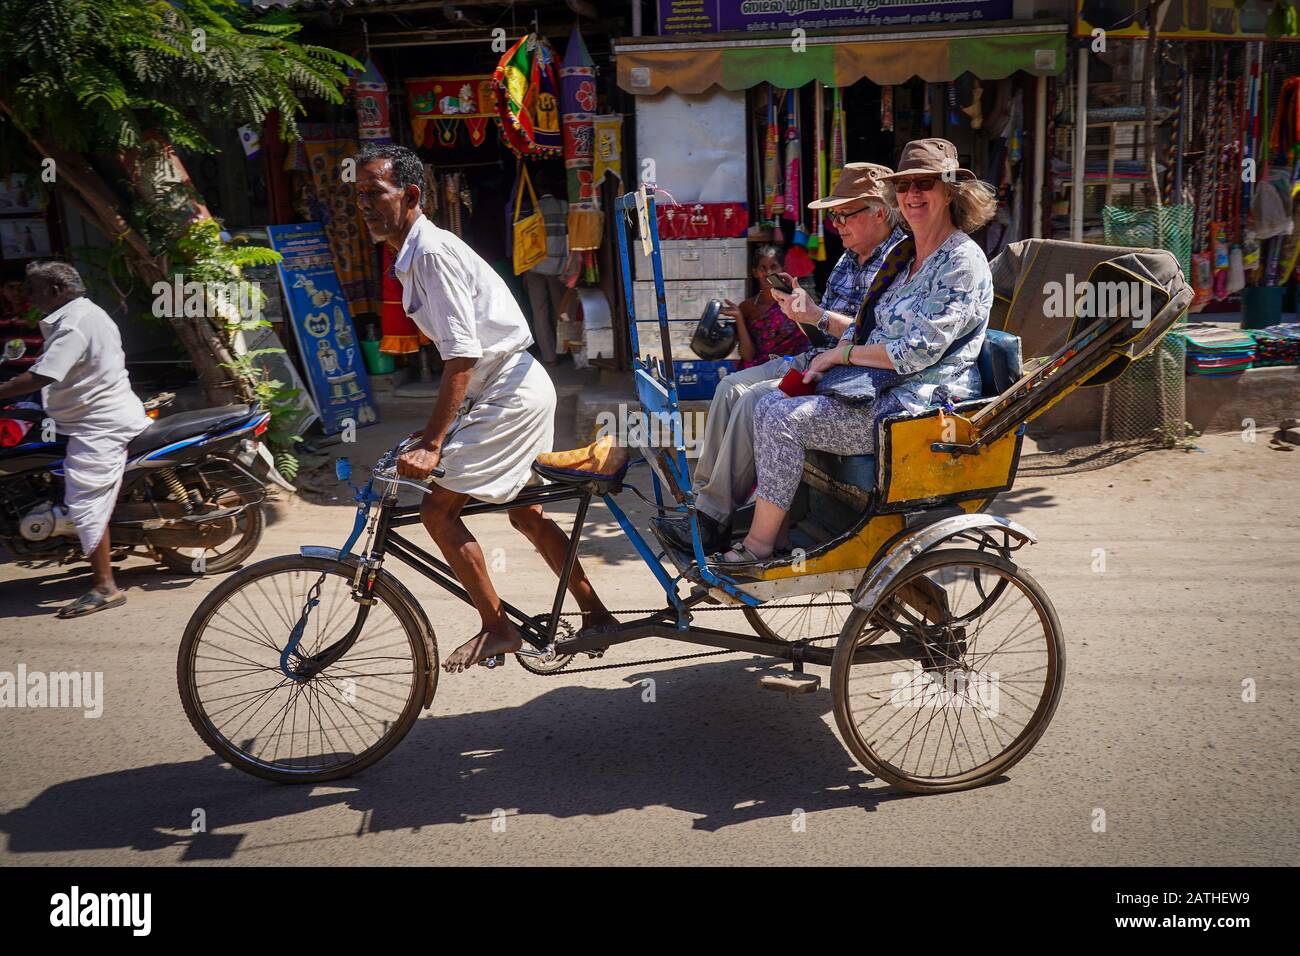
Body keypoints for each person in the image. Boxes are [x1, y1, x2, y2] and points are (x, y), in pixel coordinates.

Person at [352, 144, 617, 672]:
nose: (365, 205)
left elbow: (462, 354)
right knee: (526, 514)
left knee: (437, 510)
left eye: (374, 194)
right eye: (358, 195)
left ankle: (497, 629)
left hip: (510, 395)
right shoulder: (413, 253)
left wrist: (432, 441)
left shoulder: (428, 252)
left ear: (410, 195)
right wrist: (436, 433)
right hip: (511, 387)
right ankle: (596, 614)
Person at [717, 138, 996, 564]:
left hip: (918, 409)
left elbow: (915, 352)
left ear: (949, 191)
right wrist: (828, 355)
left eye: (925, 184)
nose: (913, 194)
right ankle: (752, 525)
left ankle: (759, 545)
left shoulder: (961, 260)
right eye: (904, 186)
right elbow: (867, 327)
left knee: (780, 416)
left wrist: (839, 357)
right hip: (875, 390)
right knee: (768, 401)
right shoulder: (907, 255)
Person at [652, 162, 906, 555]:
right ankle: (704, 508)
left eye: (844, 214)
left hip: (855, 374)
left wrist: (817, 316)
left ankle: (714, 519)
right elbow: (825, 331)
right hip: (819, 356)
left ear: (878, 212)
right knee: (730, 387)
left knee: (755, 399)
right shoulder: (845, 260)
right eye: (834, 215)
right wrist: (801, 313)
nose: (836, 224)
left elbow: (873, 336)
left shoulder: (898, 263)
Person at [0, 261, 152, 616]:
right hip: (83, 415)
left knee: (84, 502)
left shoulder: (75, 323)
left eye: (34, 289)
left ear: (54, 290)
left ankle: (105, 586)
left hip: (98, 424)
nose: (29, 296)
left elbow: (42, 376)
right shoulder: (82, 313)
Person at [723, 245, 810, 370]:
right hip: (758, 371)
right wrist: (739, 317)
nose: (768, 273)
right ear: (755, 272)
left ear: (783, 270)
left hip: (791, 371)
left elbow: (808, 343)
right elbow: (748, 356)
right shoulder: (747, 307)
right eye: (762, 268)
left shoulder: (796, 301)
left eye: (773, 267)